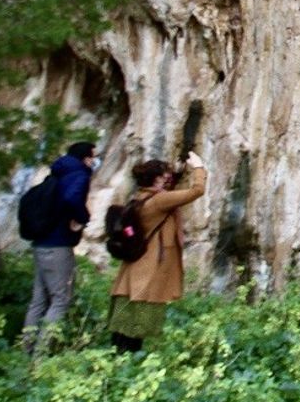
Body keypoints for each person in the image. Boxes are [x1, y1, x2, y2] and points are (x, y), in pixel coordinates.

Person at [108, 151, 206, 352]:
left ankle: (119, 361)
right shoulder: (160, 201)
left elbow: (170, 192)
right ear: (156, 178)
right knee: (136, 325)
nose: (168, 179)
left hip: (135, 267)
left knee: (125, 325)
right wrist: (199, 167)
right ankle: (128, 364)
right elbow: (197, 191)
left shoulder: (141, 198)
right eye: (164, 176)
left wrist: (177, 172)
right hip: (148, 267)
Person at [21, 141, 98, 351]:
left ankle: (26, 349)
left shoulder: (57, 172)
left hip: (41, 243)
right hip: (58, 244)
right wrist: (83, 218)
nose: (94, 161)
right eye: (93, 157)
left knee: (38, 300)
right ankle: (41, 355)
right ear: (85, 158)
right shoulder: (79, 175)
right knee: (61, 300)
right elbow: (72, 198)